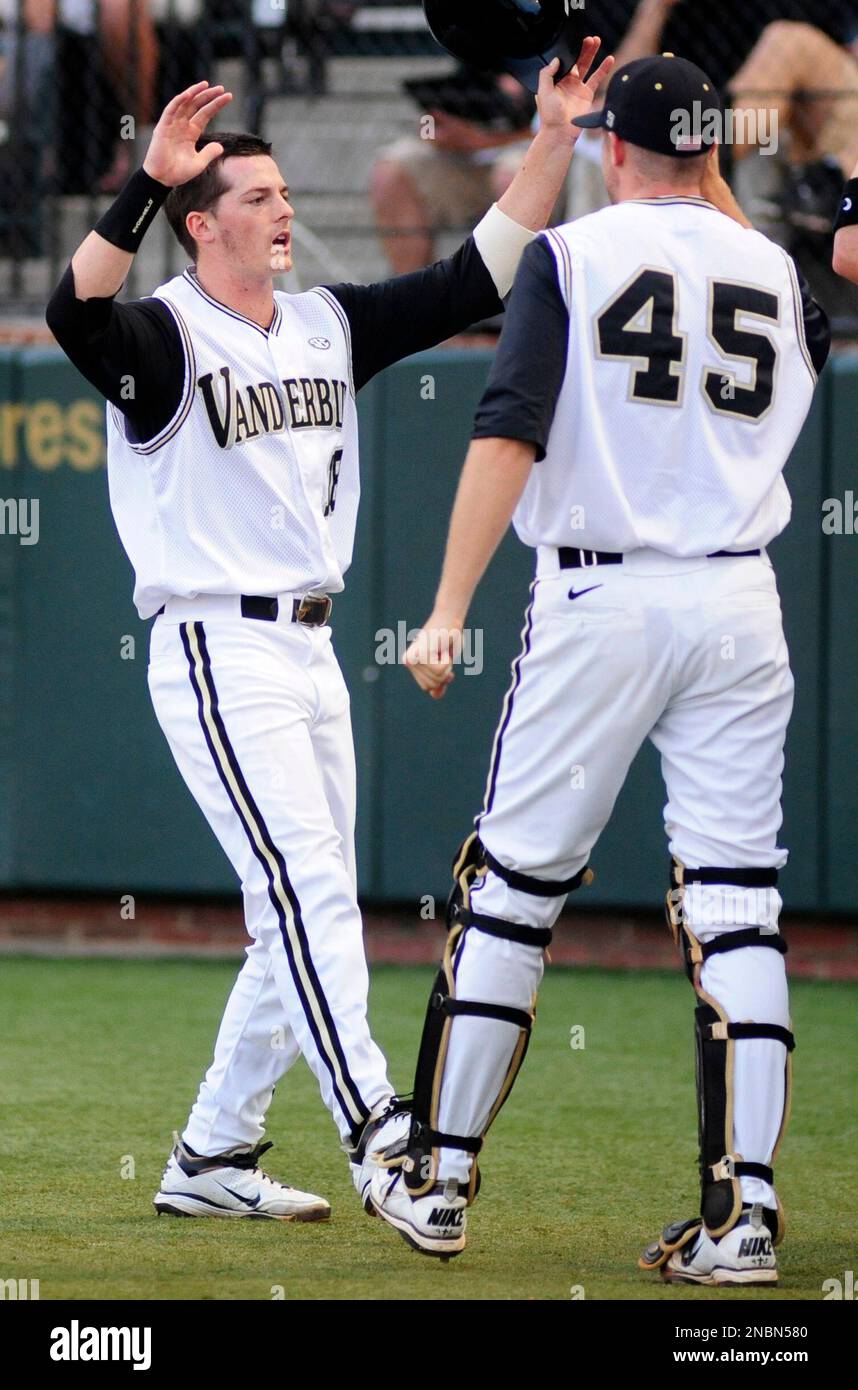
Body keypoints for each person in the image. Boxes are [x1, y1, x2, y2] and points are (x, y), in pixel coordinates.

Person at [44, 39, 614, 1222]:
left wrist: (555, 136)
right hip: (217, 643)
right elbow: (70, 309)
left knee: (300, 910)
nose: (282, 210)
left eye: (287, 193)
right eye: (256, 198)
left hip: (310, 647)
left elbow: (477, 277)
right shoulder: (162, 339)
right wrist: (146, 180)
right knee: (305, 894)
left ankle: (210, 1155)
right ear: (203, 227)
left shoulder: (323, 324)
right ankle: (380, 1135)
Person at [369, 55, 830, 1281]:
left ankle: (442, 1176)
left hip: (603, 593)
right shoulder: (781, 271)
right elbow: (772, 307)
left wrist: (449, 605)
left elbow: (510, 426)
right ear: (712, 152)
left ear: (607, 147)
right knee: (737, 902)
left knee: (514, 888)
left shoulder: (572, 255)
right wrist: (711, 178)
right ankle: (745, 1220)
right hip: (741, 597)